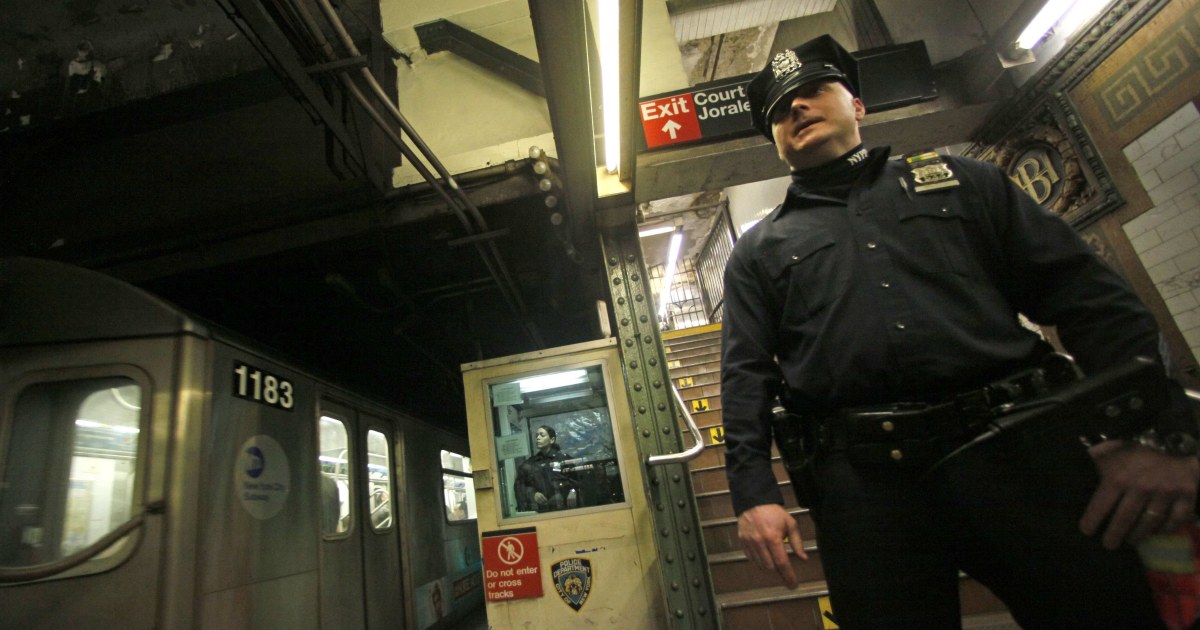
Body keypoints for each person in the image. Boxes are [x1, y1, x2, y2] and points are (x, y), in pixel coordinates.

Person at [721, 34, 1200, 628]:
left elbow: (1091, 299)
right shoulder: (758, 252)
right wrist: (754, 493)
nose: (795, 107)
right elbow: (745, 377)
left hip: (1022, 457)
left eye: (814, 90)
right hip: (867, 490)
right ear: (774, 142)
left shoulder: (965, 182)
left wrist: (1154, 433)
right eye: (777, 109)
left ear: (859, 106)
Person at [515, 425, 571, 513]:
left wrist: (564, 493)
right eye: (536, 435)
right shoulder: (531, 463)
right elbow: (521, 485)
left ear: (552, 440)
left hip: (564, 508)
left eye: (542, 435)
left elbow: (575, 479)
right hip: (540, 510)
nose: (538, 438)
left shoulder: (563, 459)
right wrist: (533, 494)